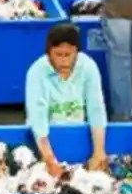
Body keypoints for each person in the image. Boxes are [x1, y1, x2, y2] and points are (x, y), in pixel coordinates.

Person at [25, 22, 108, 176]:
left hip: (78, 134)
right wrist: (50, 160)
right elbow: (38, 119)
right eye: (58, 54)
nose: (64, 61)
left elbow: (96, 109)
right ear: (49, 53)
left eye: (68, 55)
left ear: (77, 52)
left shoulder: (88, 67)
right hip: (46, 139)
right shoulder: (36, 72)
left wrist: (99, 151)